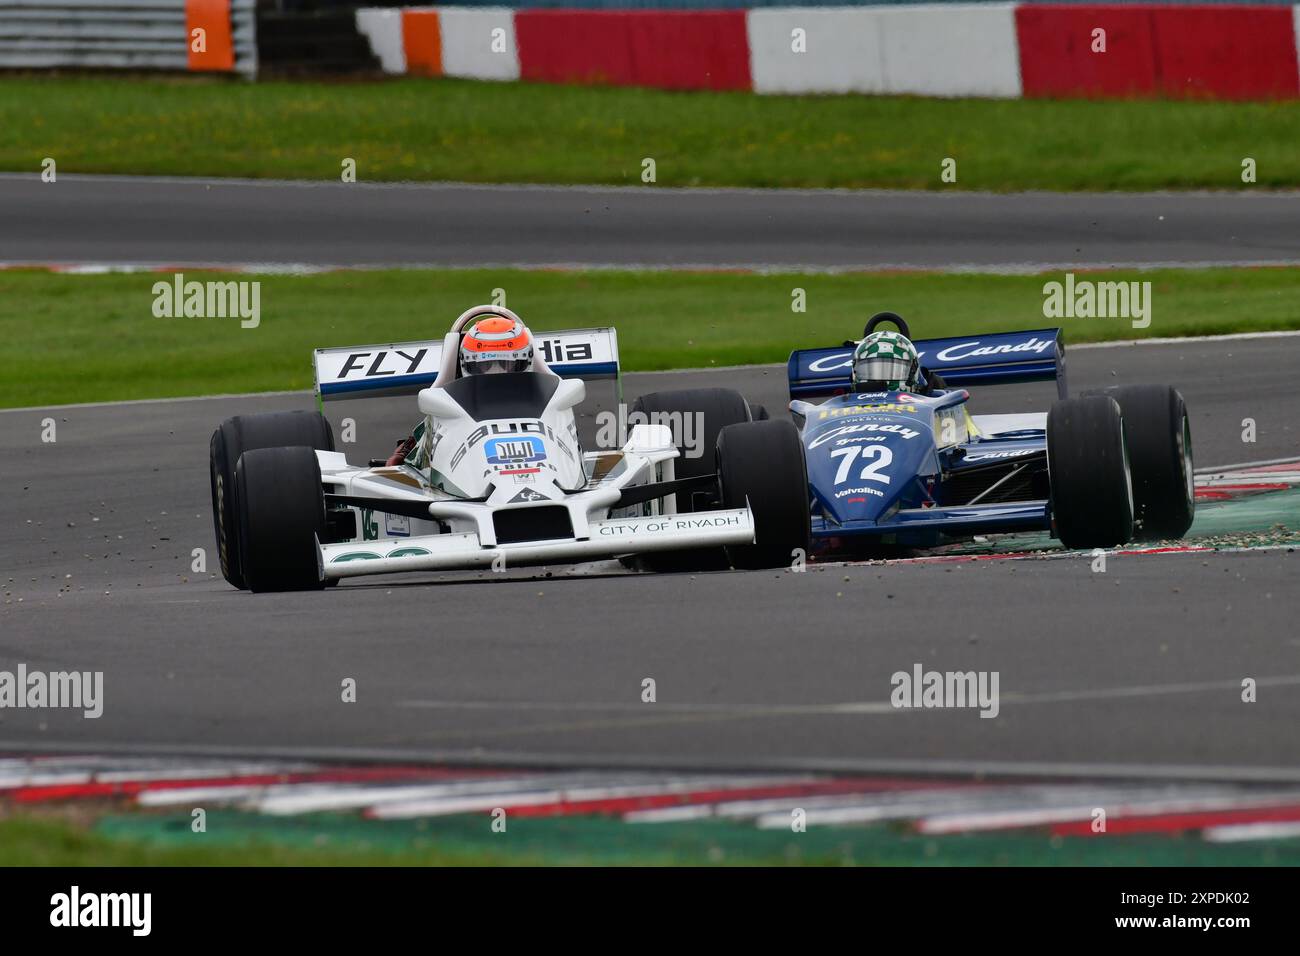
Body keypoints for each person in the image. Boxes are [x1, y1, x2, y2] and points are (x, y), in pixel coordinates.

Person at [384, 314, 535, 466]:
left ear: (527, 360)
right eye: (485, 366)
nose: (496, 375)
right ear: (465, 365)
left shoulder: (551, 403)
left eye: (506, 365)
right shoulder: (447, 411)